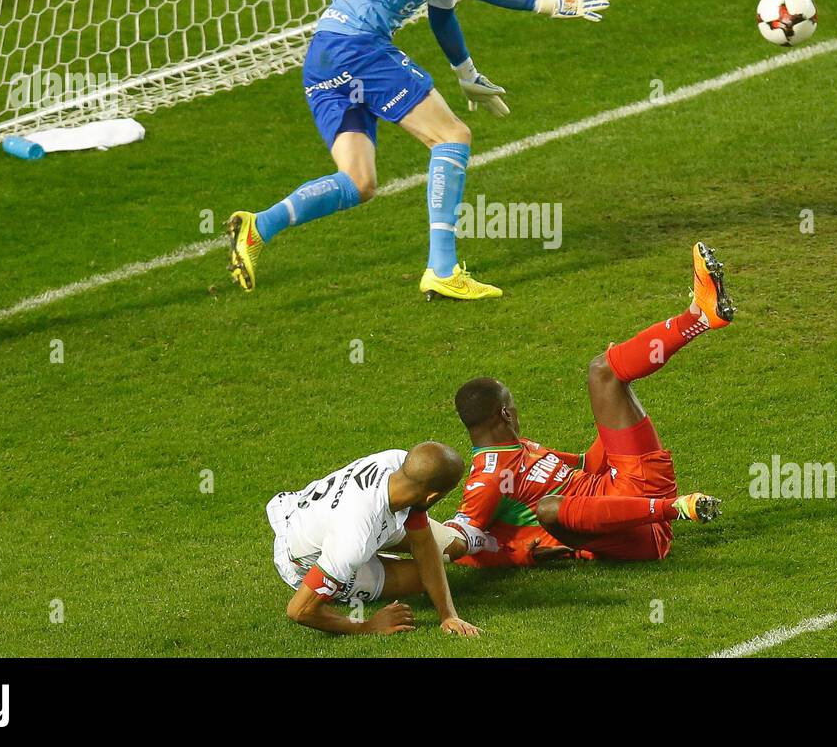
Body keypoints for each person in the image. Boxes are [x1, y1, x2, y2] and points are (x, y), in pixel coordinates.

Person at [226, 0, 610, 299]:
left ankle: (259, 226)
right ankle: (443, 270)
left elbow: (442, 15)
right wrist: (552, 5)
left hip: (324, 57)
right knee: (452, 135)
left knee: (358, 182)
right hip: (358, 48)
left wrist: (466, 73)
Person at [442, 243, 733, 567]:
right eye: (514, 404)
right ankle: (676, 508)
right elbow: (458, 538)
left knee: (606, 373)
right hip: (632, 532)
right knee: (551, 507)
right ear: (505, 413)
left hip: (628, 487)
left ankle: (699, 315)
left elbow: (586, 464)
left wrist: (621, 388)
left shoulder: (521, 448)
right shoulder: (488, 478)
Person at [266, 441, 480, 636]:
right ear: (432, 497)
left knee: (451, 548)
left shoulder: (399, 464)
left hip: (335, 519)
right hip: (303, 555)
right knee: (418, 579)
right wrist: (367, 626)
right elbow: (299, 610)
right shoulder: (351, 543)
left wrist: (448, 614)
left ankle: (478, 534)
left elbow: (423, 542)